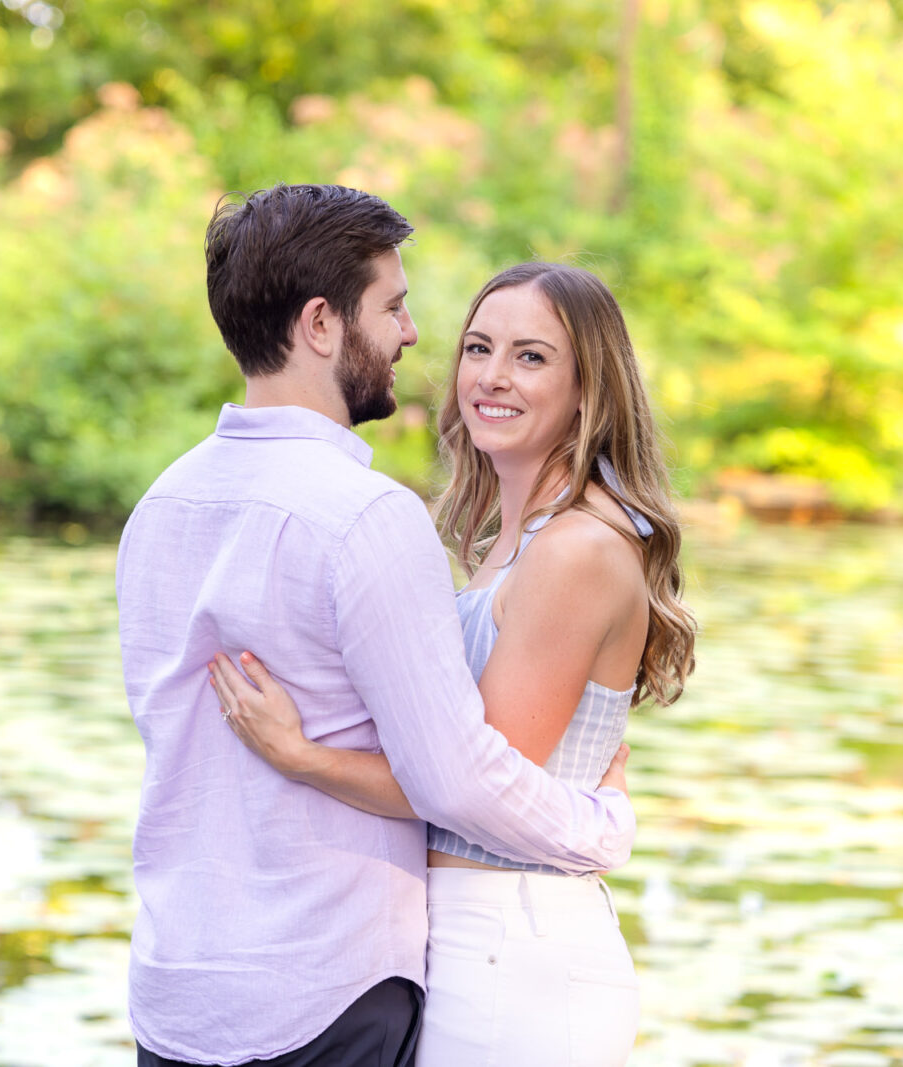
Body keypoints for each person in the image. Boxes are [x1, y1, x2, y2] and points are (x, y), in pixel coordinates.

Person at [115, 187, 640, 1067]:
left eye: (528, 355)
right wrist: (600, 826)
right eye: (394, 307)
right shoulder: (369, 518)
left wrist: (306, 754)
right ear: (322, 324)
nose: (413, 335)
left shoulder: (157, 509)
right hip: (329, 991)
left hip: (178, 992)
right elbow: (458, 778)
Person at [209, 261, 697, 1065]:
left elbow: (468, 780)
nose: (492, 376)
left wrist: (302, 756)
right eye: (478, 348)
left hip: (517, 940)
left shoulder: (574, 548)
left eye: (531, 356)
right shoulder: (508, 546)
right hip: (471, 933)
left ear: (589, 387)